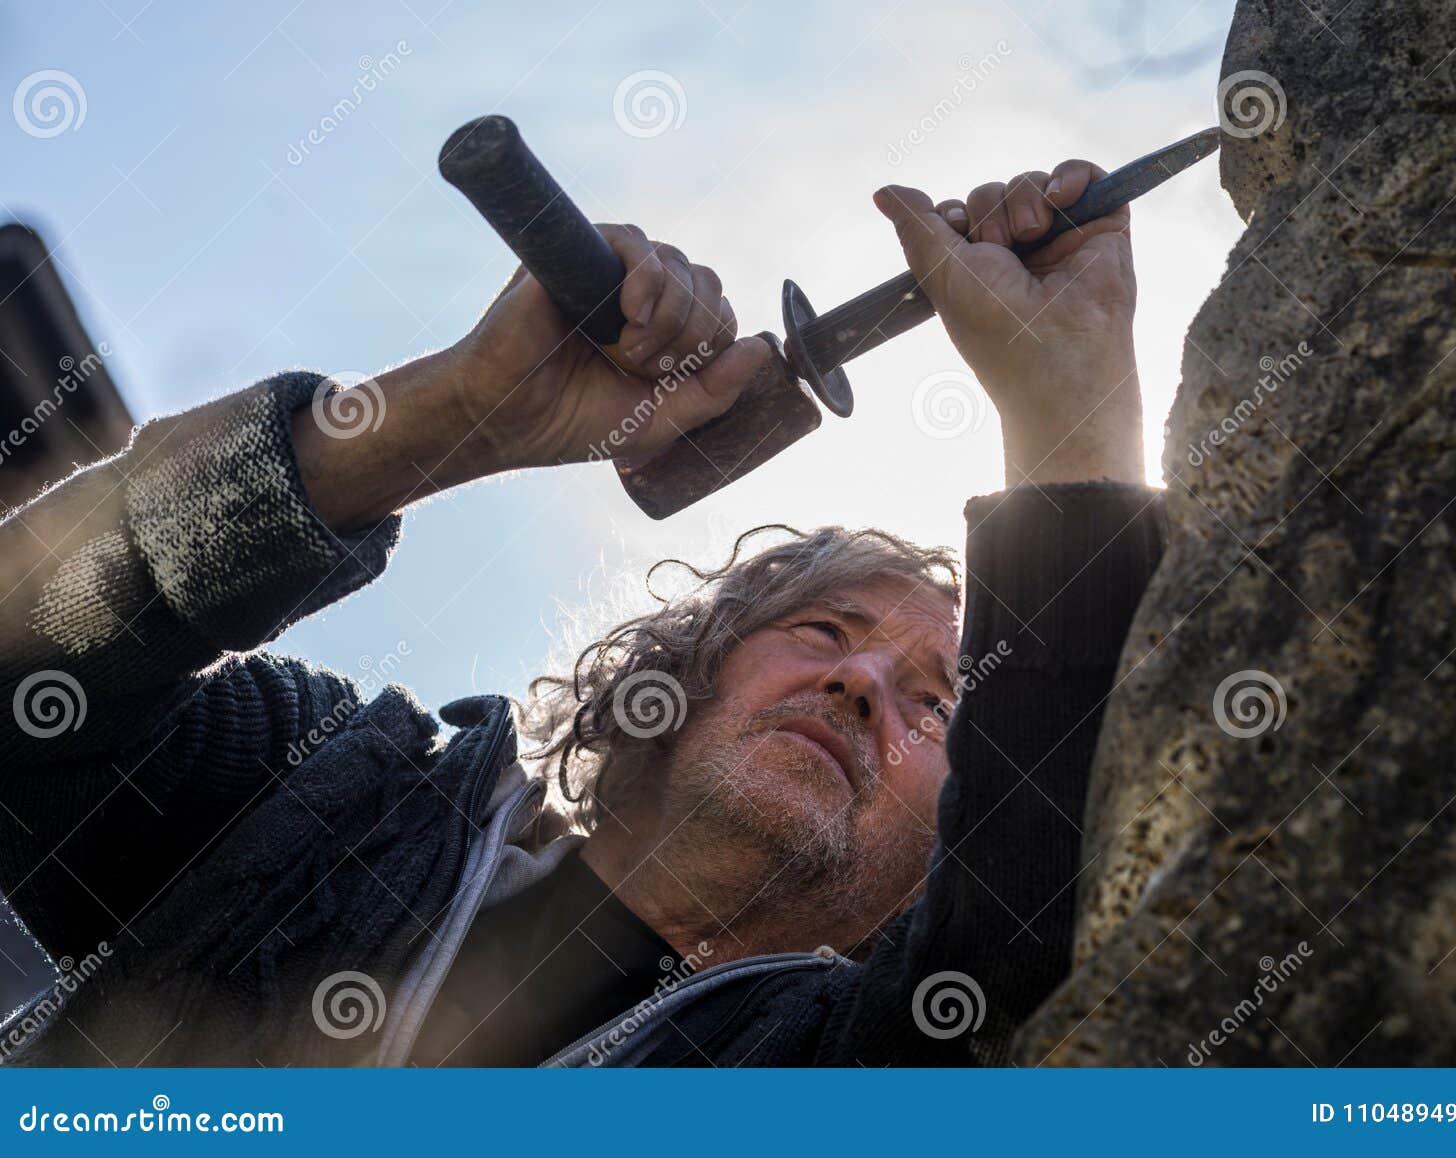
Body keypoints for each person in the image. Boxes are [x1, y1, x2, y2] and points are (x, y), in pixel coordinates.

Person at [0, 157, 1165, 1067]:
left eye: (938, 706)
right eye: (823, 632)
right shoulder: (315, 793)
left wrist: (1069, 416)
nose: (861, 685)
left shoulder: (865, 1062)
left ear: (955, 831)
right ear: (691, 663)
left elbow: (1051, 887)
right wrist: (456, 415)